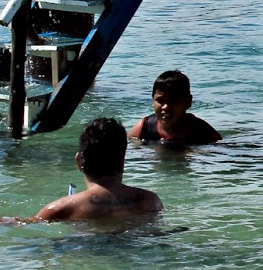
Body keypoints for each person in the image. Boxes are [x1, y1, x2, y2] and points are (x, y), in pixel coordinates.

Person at [33, 117, 163, 222]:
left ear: (79, 162)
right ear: (123, 162)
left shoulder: (62, 209)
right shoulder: (151, 201)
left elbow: (25, 225)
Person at [129, 69, 222, 146]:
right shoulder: (144, 128)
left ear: (188, 102)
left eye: (173, 101)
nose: (165, 107)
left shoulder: (203, 133)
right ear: (153, 101)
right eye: (160, 101)